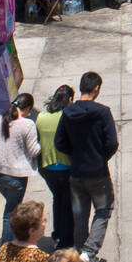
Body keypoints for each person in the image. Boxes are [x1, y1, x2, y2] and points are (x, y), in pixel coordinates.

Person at [54, 71, 118, 262]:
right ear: (96, 88)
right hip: (97, 172)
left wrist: (77, 155)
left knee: (80, 215)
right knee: (103, 209)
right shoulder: (102, 112)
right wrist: (99, 157)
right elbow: (112, 143)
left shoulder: (68, 113)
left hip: (77, 172)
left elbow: (59, 142)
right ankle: (89, 252)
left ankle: (80, 252)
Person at [0, 92, 41, 243]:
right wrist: (43, 145)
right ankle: (6, 249)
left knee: (14, 208)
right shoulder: (28, 124)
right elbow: (34, 151)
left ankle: (17, 239)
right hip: (17, 178)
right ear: (27, 109)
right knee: (10, 213)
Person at [35, 85, 75, 250]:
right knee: (66, 203)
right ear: (70, 100)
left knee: (57, 200)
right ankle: (65, 239)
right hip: (65, 166)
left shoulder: (41, 117)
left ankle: (57, 234)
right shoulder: (67, 116)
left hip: (46, 167)